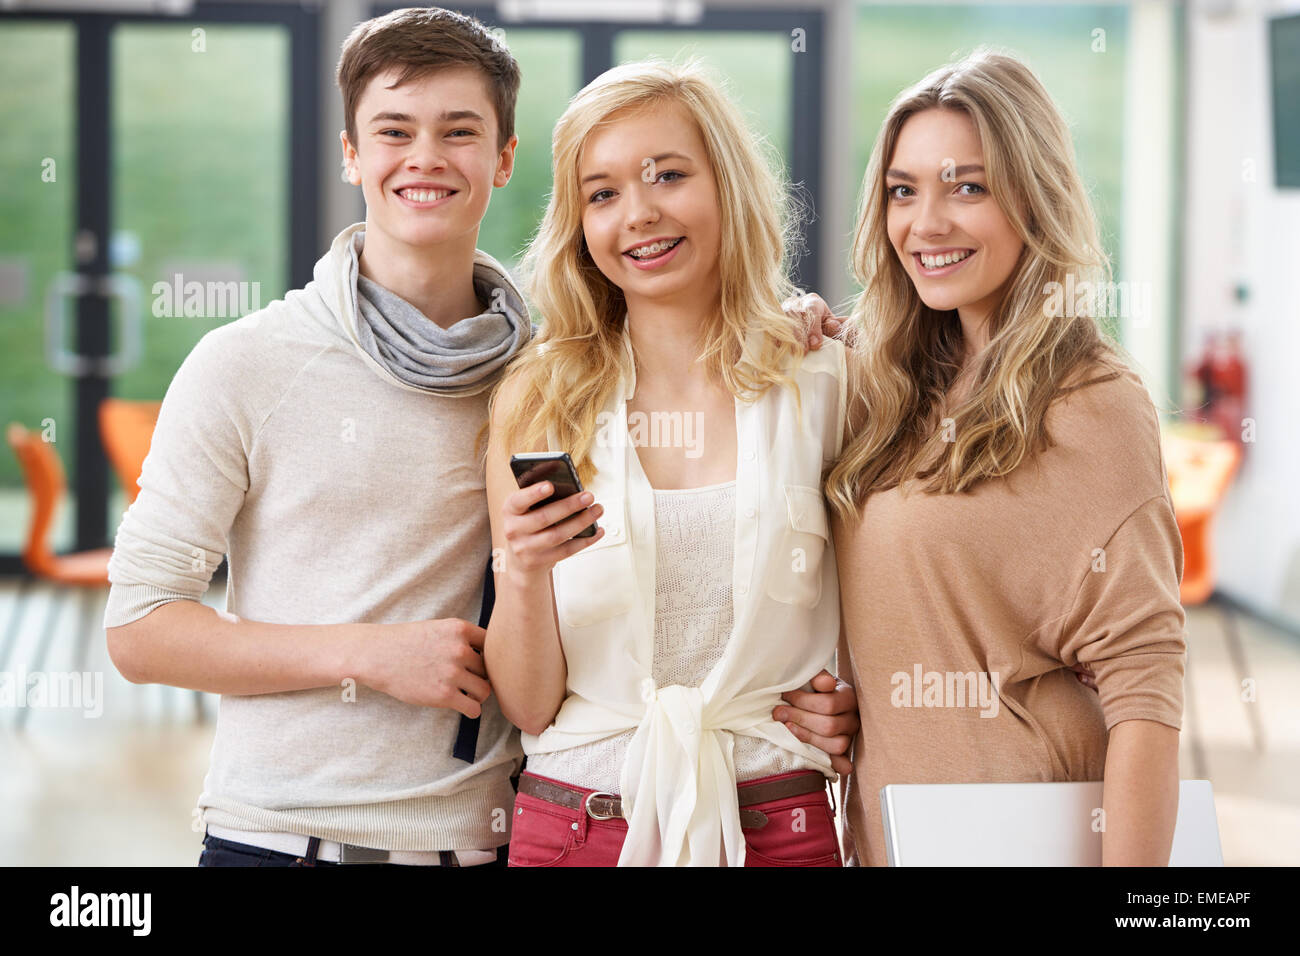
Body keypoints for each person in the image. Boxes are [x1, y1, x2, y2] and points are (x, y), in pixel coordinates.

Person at [104, 6, 848, 868]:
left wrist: (789, 320)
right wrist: (366, 655)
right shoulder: (246, 364)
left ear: (502, 161)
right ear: (351, 153)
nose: (425, 158)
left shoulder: (542, 379)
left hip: (493, 839)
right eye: (392, 131)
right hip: (285, 842)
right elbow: (138, 626)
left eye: (459, 131)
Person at [483, 59, 856, 868]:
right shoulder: (541, 399)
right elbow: (530, 703)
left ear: (726, 183)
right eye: (603, 193)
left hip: (777, 825)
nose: (639, 214)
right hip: (574, 826)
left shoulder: (829, 382)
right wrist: (521, 570)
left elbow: (887, 598)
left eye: (668, 175)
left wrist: (863, 703)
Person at [822, 49, 1186, 866]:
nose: (927, 223)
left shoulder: (1093, 402)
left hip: (1026, 832)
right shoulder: (891, 388)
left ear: (1034, 196)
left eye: (968, 186)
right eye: (903, 191)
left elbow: (1146, 693)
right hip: (894, 835)